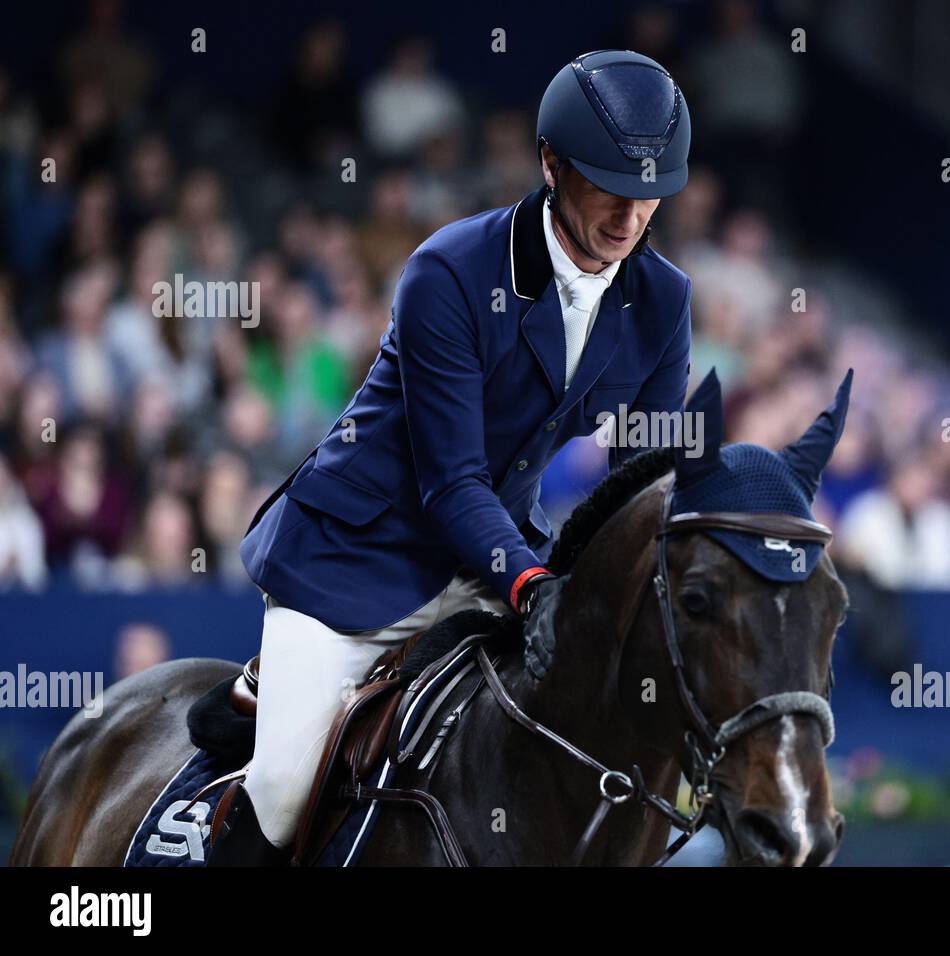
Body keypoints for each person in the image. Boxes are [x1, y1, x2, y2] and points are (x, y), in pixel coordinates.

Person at [210, 51, 694, 865]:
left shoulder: (663, 299)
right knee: (285, 791)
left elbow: (643, 483)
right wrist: (534, 584)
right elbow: (450, 481)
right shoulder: (453, 270)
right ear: (550, 164)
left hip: (492, 558)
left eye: (650, 193)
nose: (630, 216)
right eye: (609, 185)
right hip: (359, 557)